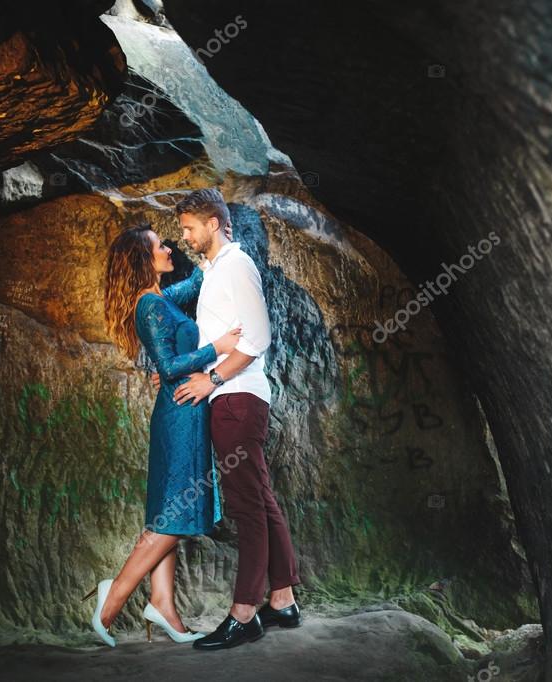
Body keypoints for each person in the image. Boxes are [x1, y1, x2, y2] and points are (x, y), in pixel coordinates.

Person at [83, 223, 242, 647]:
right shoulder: (148, 307)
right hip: (180, 413)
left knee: (167, 512)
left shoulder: (158, 298)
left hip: (184, 410)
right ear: (142, 258)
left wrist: (217, 243)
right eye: (159, 246)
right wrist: (219, 347)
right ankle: (111, 599)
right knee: (175, 515)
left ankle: (163, 602)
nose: (169, 248)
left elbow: (194, 284)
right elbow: (169, 367)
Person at [168, 188, 303, 651]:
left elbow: (259, 335)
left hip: (236, 400)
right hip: (239, 399)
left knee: (246, 508)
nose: (184, 236)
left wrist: (212, 380)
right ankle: (282, 599)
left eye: (188, 227)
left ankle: (244, 614)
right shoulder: (217, 270)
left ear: (212, 222)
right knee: (262, 500)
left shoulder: (237, 266)